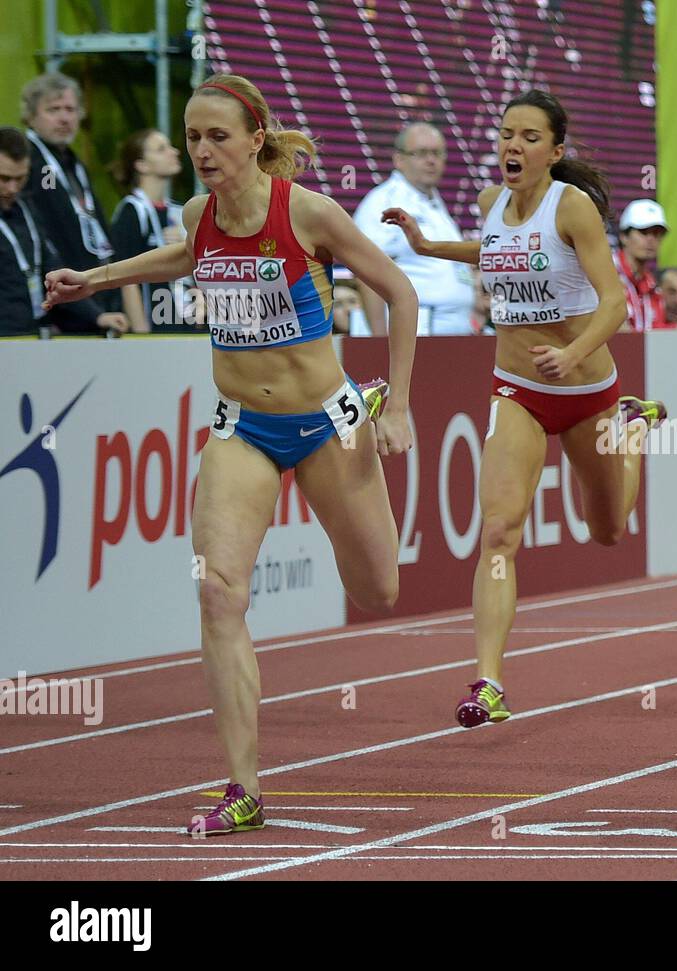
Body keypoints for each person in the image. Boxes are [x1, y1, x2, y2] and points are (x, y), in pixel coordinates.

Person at [43, 74, 419, 836]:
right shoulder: (197, 214)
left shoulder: (307, 212)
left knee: (378, 588)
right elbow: (184, 257)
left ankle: (368, 396)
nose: (204, 151)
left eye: (219, 136)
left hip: (328, 423)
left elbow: (400, 292)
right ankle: (242, 786)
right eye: (192, 138)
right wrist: (98, 278)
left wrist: (403, 404)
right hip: (241, 426)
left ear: (256, 139)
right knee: (218, 591)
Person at [381, 89, 665, 728]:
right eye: (507, 133)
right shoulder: (489, 204)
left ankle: (634, 429)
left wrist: (575, 354)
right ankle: (489, 682)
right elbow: (494, 255)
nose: (513, 145)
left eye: (530, 137)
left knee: (608, 531)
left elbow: (614, 303)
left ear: (555, 151)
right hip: (517, 389)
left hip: (588, 391)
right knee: (500, 532)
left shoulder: (576, 210)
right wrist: (428, 248)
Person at [20, 72, 129, 315]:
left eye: (70, 109)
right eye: (53, 109)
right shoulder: (32, 162)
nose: (64, 118)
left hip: (91, 285)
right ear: (31, 116)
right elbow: (47, 211)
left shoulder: (73, 162)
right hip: (60, 295)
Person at [0, 126, 126, 338]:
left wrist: (96, 316)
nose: (12, 188)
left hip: (32, 334)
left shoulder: (26, 209)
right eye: (4, 178)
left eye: (20, 179)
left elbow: (51, 269)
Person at [351, 122, 475, 335]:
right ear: (399, 159)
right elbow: (367, 271)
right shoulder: (384, 202)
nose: (431, 160)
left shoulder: (434, 203)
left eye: (437, 153)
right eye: (421, 153)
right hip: (418, 330)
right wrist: (379, 344)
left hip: (454, 330)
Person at [108, 128, 197, 333]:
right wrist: (141, 333)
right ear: (141, 165)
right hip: (156, 329)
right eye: (161, 149)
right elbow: (124, 278)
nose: (174, 152)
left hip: (188, 324)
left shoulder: (180, 211)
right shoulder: (132, 211)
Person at [615, 198, 667, 331]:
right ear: (624, 236)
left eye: (657, 234)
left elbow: (655, 330)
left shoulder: (651, 284)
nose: (651, 240)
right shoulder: (604, 274)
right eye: (643, 232)